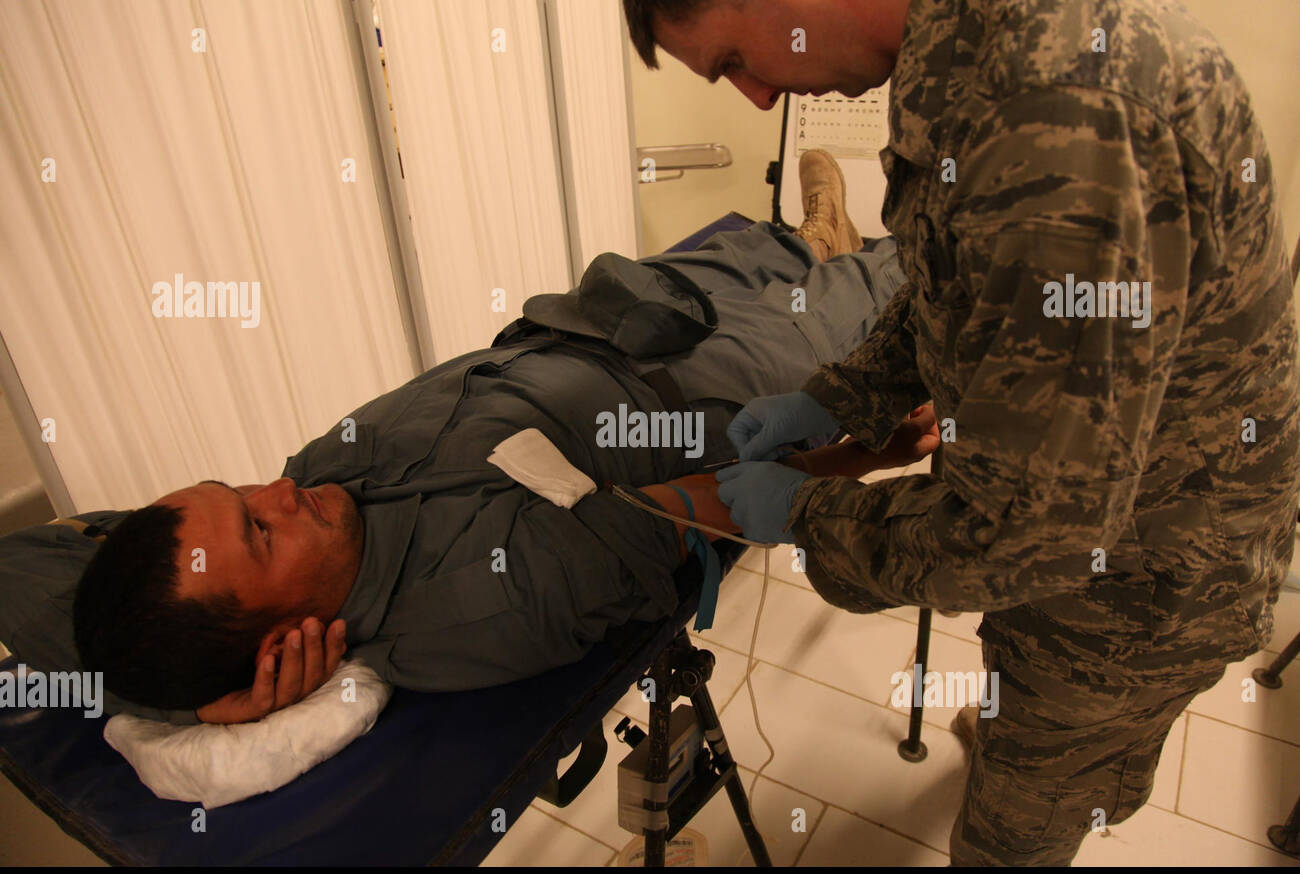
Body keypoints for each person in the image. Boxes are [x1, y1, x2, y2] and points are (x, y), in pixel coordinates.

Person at [625, 0, 1300, 864]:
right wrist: (841, 396)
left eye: (730, 62)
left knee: (1013, 837)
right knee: (1019, 703)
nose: (757, 99)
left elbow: (1027, 540)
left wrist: (806, 515)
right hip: (1093, 527)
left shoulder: (1058, 119)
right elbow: (968, 289)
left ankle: (1032, 790)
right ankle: (1017, 736)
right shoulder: (966, 54)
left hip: (1145, 582)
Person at [72, 156, 937, 726]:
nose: (277, 491)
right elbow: (709, 505)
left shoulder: (313, 489)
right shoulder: (480, 604)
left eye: (243, 492)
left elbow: (29, 564)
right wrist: (864, 451)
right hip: (707, 387)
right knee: (905, 276)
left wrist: (196, 704)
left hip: (603, 318)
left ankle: (812, 238)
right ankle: (859, 255)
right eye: (260, 531)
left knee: (764, 251)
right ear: (279, 644)